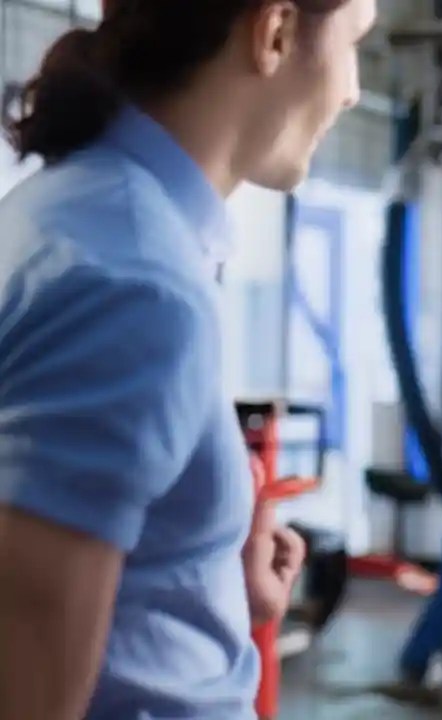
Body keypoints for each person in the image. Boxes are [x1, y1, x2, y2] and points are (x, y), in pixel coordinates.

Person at [0, 1, 376, 718]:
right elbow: (28, 662)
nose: (354, 88)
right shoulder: (136, 278)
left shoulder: (73, 211)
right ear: (275, 33)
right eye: (353, 41)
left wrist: (202, 579)